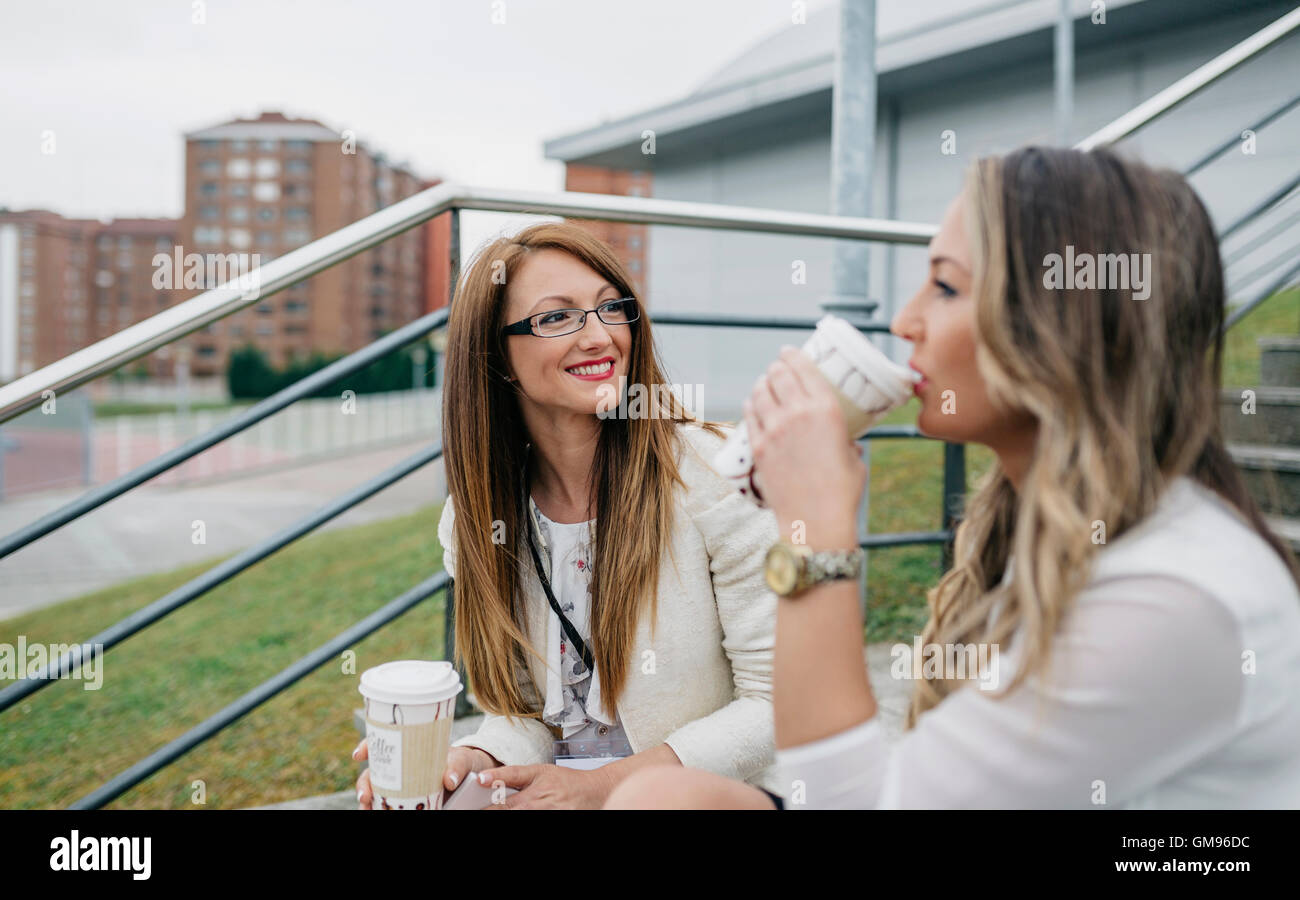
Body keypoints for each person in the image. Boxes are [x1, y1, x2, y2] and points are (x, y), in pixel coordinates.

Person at [604, 145, 1300, 809]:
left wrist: (814, 526)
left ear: (1062, 323)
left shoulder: (1173, 599)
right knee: (659, 798)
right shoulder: (1047, 524)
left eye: (944, 286)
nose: (907, 321)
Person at [352, 222, 787, 808]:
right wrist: (473, 758)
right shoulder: (478, 517)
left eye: (612, 308)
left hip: (691, 790)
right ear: (498, 357)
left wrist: (601, 786)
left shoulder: (714, 474)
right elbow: (525, 717)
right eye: (558, 317)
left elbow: (775, 705)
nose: (600, 336)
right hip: (558, 790)